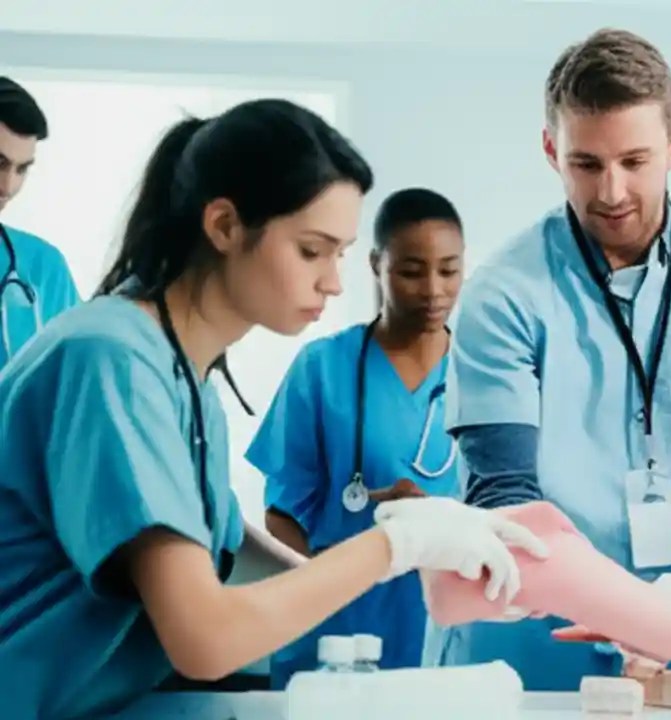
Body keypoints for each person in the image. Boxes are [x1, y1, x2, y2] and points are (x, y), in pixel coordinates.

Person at [0, 99, 545, 719]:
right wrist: (395, 546)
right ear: (226, 226)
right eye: (312, 251)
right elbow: (204, 638)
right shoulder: (112, 362)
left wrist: (429, 554)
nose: (334, 283)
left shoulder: (189, 378)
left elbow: (228, 551)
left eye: (339, 254)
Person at [438, 27, 671, 690]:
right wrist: (616, 608)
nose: (611, 191)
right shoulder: (503, 290)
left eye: (635, 160)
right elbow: (504, 494)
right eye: (586, 164)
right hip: (530, 638)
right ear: (551, 150)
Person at [245, 187, 467, 687]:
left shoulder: (486, 374)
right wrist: (318, 590)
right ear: (375, 264)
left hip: (445, 628)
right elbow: (283, 513)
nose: (433, 289)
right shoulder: (323, 368)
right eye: (411, 271)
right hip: (337, 633)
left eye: (449, 270)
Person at [0, 76, 80, 366]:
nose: (8, 186)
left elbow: (75, 374)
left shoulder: (43, 268)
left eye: (21, 169)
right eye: (0, 164)